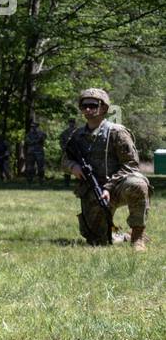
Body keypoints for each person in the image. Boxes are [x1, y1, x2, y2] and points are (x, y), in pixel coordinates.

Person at [61, 88, 150, 251]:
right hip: (92, 191)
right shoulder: (77, 135)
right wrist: (73, 167)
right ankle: (123, 236)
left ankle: (138, 237)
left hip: (118, 186)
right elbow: (65, 159)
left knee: (138, 184)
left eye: (93, 105)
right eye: (84, 105)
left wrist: (109, 187)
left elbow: (131, 164)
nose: (88, 109)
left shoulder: (117, 132)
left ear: (103, 108)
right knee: (97, 241)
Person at [58, 117, 79, 187]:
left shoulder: (78, 131)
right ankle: (66, 183)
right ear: (69, 123)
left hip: (76, 152)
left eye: (73, 122)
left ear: (74, 123)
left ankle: (78, 182)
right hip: (67, 152)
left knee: (78, 166)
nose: (71, 124)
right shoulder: (65, 132)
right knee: (66, 167)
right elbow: (61, 141)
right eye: (70, 122)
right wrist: (64, 148)